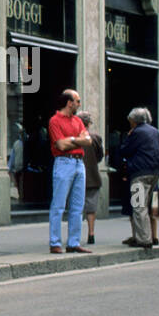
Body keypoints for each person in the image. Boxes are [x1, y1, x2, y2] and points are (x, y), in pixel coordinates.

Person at [47, 89, 92, 254]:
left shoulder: (78, 121)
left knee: (77, 205)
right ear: (69, 102)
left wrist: (71, 140)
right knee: (58, 205)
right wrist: (77, 140)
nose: (79, 104)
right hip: (64, 162)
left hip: (79, 163)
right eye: (77, 101)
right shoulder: (55, 120)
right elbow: (60, 145)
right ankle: (55, 242)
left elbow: (88, 140)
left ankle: (73, 242)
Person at [118, 107, 159, 249]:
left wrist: (128, 137)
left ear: (134, 121)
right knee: (145, 206)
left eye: (130, 121)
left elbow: (124, 150)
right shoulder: (156, 132)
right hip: (154, 174)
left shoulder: (136, 133)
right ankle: (148, 236)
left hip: (139, 174)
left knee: (138, 206)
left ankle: (143, 239)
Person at [78, 110, 105, 245]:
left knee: (76, 206)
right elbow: (100, 156)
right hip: (93, 176)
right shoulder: (95, 138)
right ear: (88, 124)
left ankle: (75, 234)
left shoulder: (74, 138)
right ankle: (91, 233)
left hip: (77, 176)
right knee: (91, 206)